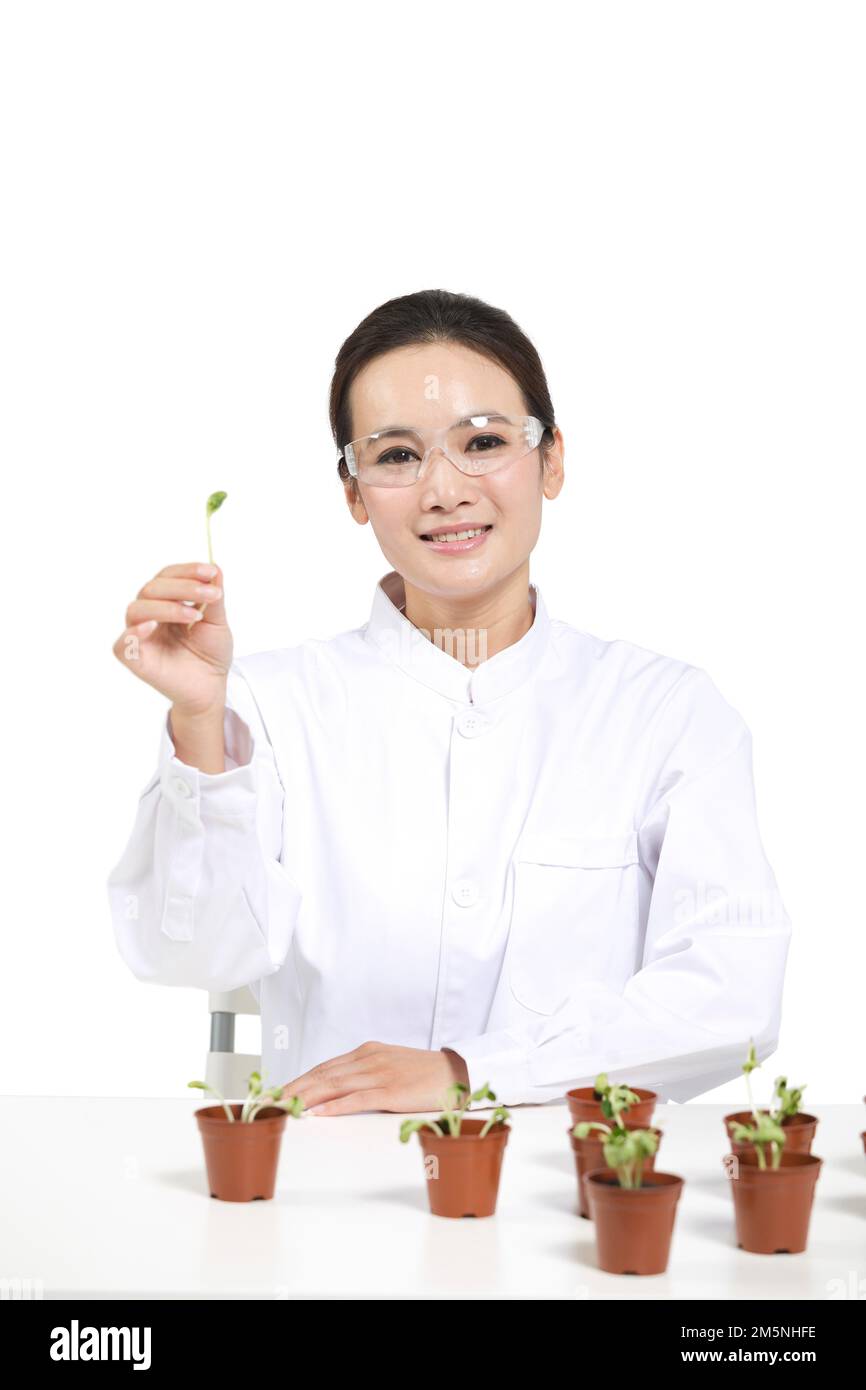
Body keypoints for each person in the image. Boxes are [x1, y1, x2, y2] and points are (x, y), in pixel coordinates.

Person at [107, 288, 791, 1114]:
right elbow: (192, 954)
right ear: (355, 492)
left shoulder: (665, 712)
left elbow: (730, 993)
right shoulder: (266, 702)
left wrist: (470, 1070)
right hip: (326, 1193)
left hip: (572, 1198)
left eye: (484, 442)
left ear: (553, 460)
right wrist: (196, 725)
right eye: (396, 456)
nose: (444, 489)